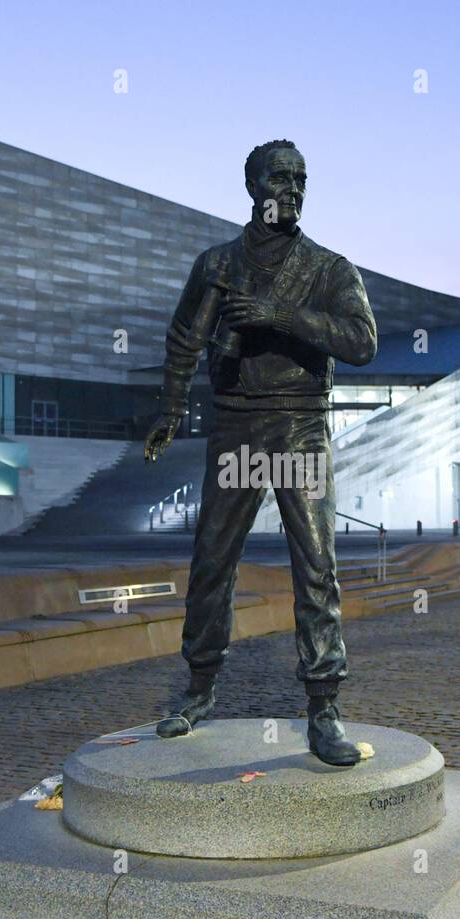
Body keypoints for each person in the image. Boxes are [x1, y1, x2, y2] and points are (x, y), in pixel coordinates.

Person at [144, 140, 377, 766]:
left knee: (316, 564)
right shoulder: (218, 263)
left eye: (302, 179)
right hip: (236, 426)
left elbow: (362, 341)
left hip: (299, 426)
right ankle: (197, 689)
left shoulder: (329, 269)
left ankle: (323, 706)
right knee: (213, 559)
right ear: (253, 186)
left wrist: (283, 317)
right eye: (281, 178)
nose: (294, 189)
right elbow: (182, 339)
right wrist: (170, 409)